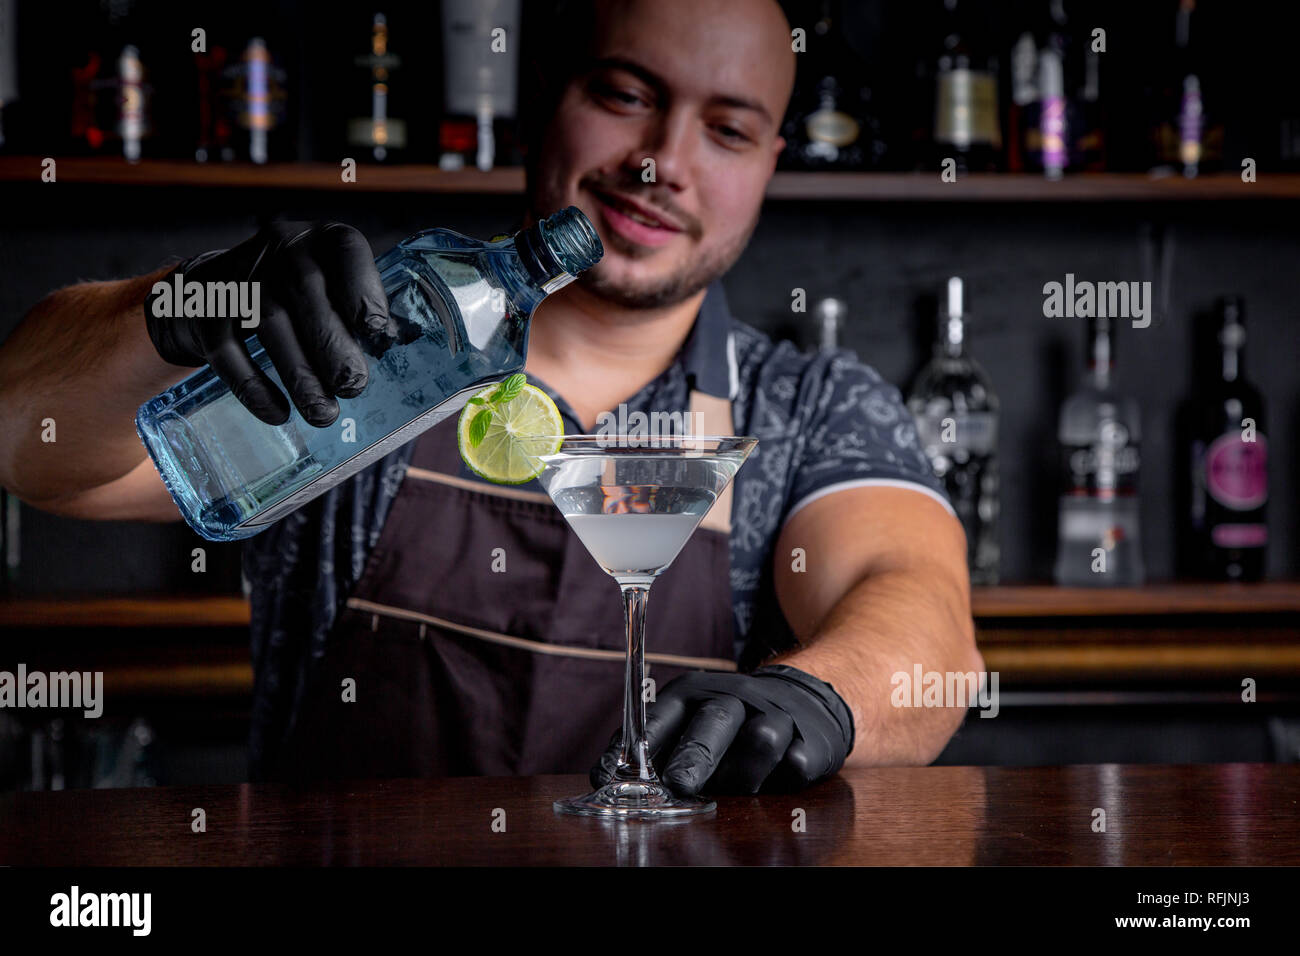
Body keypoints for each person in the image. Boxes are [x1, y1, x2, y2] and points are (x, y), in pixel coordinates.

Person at [0, 0, 981, 794]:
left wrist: (817, 697)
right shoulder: (364, 350)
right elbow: (28, 447)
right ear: (543, 97)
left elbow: (918, 612)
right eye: (625, 92)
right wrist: (176, 309)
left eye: (728, 128)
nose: (660, 160)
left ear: (771, 161)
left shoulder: (803, 403)